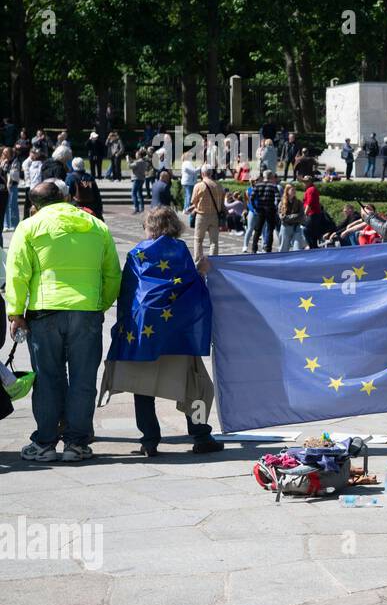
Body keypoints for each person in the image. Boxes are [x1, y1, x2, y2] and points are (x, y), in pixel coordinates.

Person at [4, 181, 121, 462]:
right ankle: (77, 443)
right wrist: (100, 304)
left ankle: (45, 443)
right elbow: (113, 274)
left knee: (47, 379)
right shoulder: (96, 226)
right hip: (86, 311)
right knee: (83, 379)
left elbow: (17, 273)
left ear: (35, 205)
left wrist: (16, 312)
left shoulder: (29, 227)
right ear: (67, 198)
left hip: (44, 311)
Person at [98, 207, 221, 457]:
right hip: (176, 334)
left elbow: (128, 294)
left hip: (143, 333)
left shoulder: (136, 254)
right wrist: (201, 271)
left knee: (143, 390)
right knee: (197, 387)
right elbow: (191, 288)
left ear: (150, 227)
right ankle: (201, 435)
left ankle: (149, 441)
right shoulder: (180, 251)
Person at [186, 167, 225, 264]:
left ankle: (198, 262)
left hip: (202, 216)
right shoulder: (219, 185)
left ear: (202, 174)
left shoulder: (199, 186)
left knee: (198, 240)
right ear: (211, 173)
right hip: (215, 216)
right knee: (214, 242)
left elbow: (193, 201)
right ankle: (213, 262)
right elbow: (222, 203)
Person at [246, 170, 280, 253]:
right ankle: (268, 248)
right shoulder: (273, 186)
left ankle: (254, 248)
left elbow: (252, 198)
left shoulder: (258, 185)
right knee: (270, 229)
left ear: (264, 176)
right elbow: (278, 198)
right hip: (270, 209)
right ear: (271, 177)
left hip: (260, 209)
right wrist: (275, 207)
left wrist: (255, 208)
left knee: (258, 229)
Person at [277, 182, 308, 252]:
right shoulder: (282, 203)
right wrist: (295, 216)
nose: (294, 192)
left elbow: (301, 216)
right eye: (292, 190)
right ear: (287, 191)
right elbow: (283, 218)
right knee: (283, 249)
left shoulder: (299, 202)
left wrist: (291, 217)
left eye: (294, 190)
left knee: (297, 248)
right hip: (285, 228)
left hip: (296, 227)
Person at [129, 147, 150, 214]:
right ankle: (142, 208)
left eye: (136, 154)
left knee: (133, 193)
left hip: (136, 179)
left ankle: (136, 208)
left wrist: (128, 160)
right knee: (140, 194)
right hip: (142, 179)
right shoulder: (144, 162)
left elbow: (130, 166)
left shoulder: (138, 162)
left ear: (139, 155)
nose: (136, 155)